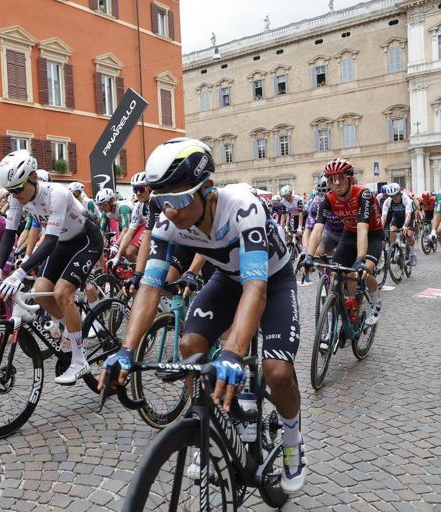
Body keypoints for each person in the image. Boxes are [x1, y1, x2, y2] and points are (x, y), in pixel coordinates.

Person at [99, 137, 307, 493]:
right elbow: (150, 288)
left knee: (277, 371)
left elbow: (255, 288)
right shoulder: (167, 223)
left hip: (272, 279)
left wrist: (232, 353)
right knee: (190, 344)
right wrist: (126, 350)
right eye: (163, 201)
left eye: (180, 200)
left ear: (208, 189)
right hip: (227, 277)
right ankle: (208, 424)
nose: (171, 212)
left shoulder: (243, 208)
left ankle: (292, 440)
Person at [0, 150, 103, 385]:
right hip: (62, 243)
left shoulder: (57, 194)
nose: (15, 196)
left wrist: (19, 273)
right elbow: (9, 235)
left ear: (34, 178)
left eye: (18, 189)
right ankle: (71, 327)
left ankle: (79, 361)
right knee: (41, 292)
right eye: (10, 191)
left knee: (62, 292)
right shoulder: (16, 198)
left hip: (86, 240)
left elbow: (48, 242)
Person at [303, 158, 384, 326]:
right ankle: (331, 322)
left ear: (350, 178)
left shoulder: (364, 194)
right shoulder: (327, 199)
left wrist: (361, 260)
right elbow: (318, 228)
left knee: (362, 272)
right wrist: (308, 255)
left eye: (341, 177)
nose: (336, 182)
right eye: (332, 179)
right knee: (335, 274)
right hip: (349, 234)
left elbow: (363, 228)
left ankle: (375, 302)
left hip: (372, 235)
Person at [108, 172, 150, 267]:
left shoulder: (157, 202)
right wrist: (117, 256)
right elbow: (129, 233)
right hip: (146, 228)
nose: (138, 193)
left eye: (141, 189)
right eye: (135, 190)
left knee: (133, 252)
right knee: (127, 252)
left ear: (150, 188)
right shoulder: (139, 206)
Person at [381, 183, 417, 266]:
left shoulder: (406, 199)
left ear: (399, 193)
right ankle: (393, 249)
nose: (394, 198)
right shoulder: (388, 201)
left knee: (409, 234)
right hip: (397, 216)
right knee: (392, 230)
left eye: (396, 195)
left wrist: (405, 225)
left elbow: (408, 215)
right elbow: (384, 217)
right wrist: (380, 227)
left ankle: (412, 254)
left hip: (409, 216)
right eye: (391, 196)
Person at [96, 188, 132, 257]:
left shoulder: (122, 208)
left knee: (129, 252)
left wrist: (116, 245)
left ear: (111, 201)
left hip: (140, 226)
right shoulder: (105, 213)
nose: (101, 207)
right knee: (115, 253)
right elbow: (102, 231)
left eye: (103, 204)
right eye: (99, 205)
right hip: (130, 229)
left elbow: (125, 229)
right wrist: (97, 244)